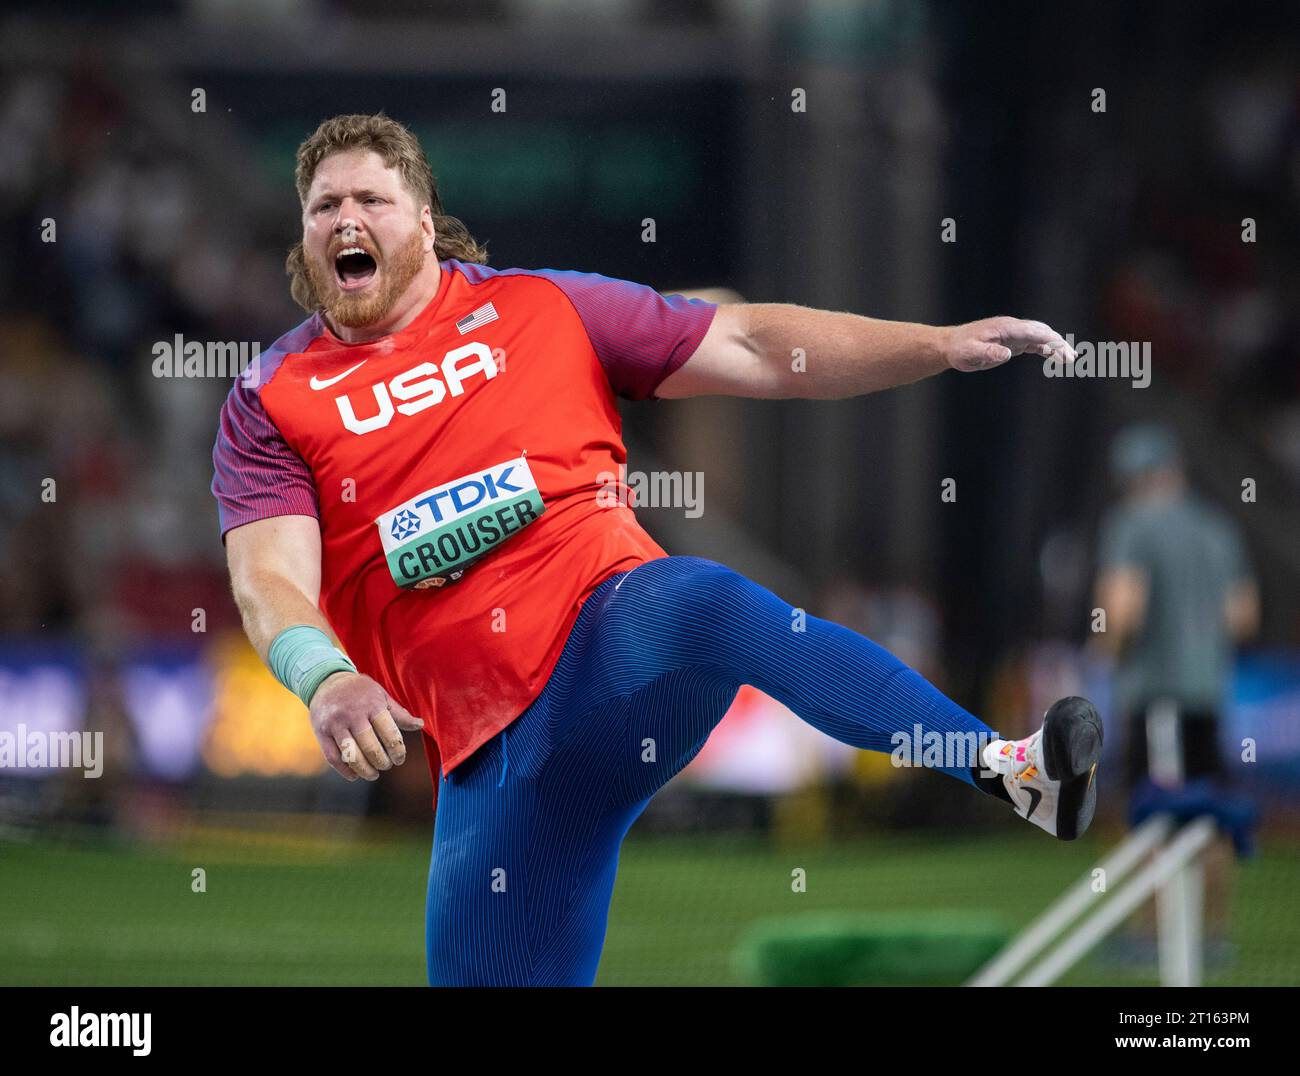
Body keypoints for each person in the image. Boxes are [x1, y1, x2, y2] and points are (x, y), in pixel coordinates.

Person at [211, 113, 1102, 986]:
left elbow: (752, 343)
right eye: (324, 206)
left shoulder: (543, 307)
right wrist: (325, 678)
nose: (346, 219)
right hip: (497, 754)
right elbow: (270, 579)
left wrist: (939, 345)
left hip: (611, 646)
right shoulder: (272, 397)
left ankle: (1008, 769)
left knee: (700, 602)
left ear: (426, 221)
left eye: (372, 197)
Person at [1093, 422, 1258, 960]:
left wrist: (1106, 654)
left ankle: (1150, 935)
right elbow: (1243, 618)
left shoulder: (1132, 524)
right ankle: (1215, 933)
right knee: (1210, 811)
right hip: (1207, 691)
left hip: (1156, 693)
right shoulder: (1218, 530)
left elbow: (1123, 609)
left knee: (1152, 810)